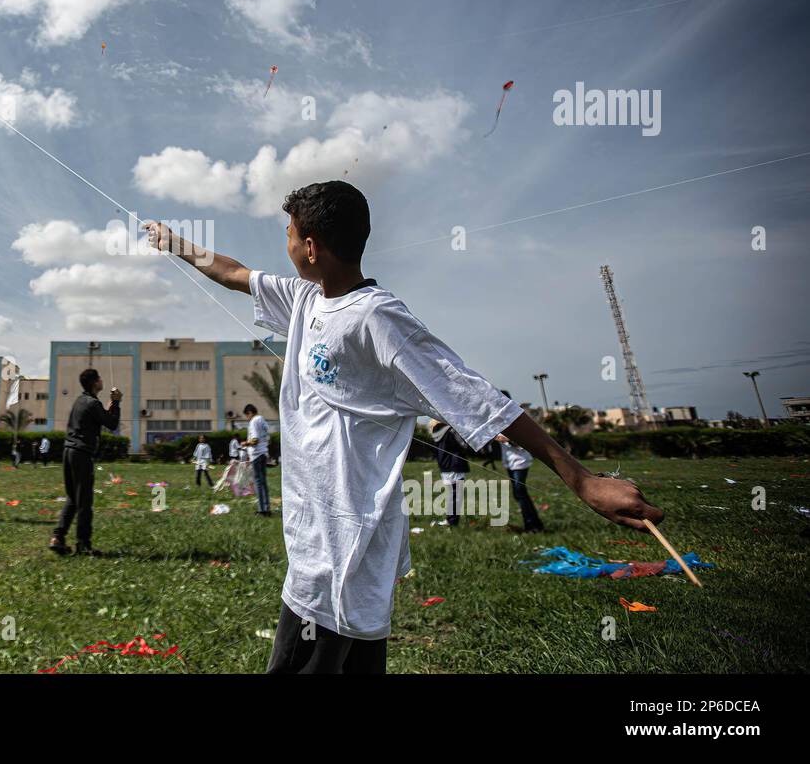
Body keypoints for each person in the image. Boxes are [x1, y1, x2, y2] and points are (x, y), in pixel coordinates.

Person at [145, 181, 661, 674]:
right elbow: (234, 273)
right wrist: (175, 245)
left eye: (286, 235)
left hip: (346, 544)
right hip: (314, 536)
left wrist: (583, 480)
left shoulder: (377, 317)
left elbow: (476, 397)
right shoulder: (305, 299)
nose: (282, 246)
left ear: (310, 246)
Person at [48, 368, 120, 556]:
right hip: (82, 454)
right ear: (95, 382)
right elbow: (111, 424)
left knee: (73, 497)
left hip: (68, 452)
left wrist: (110, 405)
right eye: (100, 378)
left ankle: (58, 537)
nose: (102, 381)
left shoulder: (81, 401)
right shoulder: (93, 403)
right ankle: (83, 544)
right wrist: (117, 403)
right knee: (84, 501)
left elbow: (101, 416)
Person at [496, 393, 543, 532]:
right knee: (518, 494)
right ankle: (531, 523)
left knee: (520, 492)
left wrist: (506, 439)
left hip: (520, 461)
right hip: (510, 461)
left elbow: (523, 439)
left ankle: (533, 525)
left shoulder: (513, 416)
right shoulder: (498, 418)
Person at [429, 419, 470, 526]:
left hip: (444, 465)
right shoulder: (452, 430)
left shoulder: (435, 432)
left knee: (451, 494)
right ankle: (452, 521)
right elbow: (464, 445)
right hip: (455, 464)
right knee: (456, 494)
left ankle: (450, 519)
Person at [242, 404, 272, 516]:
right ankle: (266, 507)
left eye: (247, 415)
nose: (247, 418)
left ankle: (262, 510)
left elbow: (255, 440)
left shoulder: (254, 421)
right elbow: (268, 438)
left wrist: (245, 443)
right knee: (263, 482)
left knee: (258, 482)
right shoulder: (262, 420)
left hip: (257, 454)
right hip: (263, 453)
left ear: (249, 412)